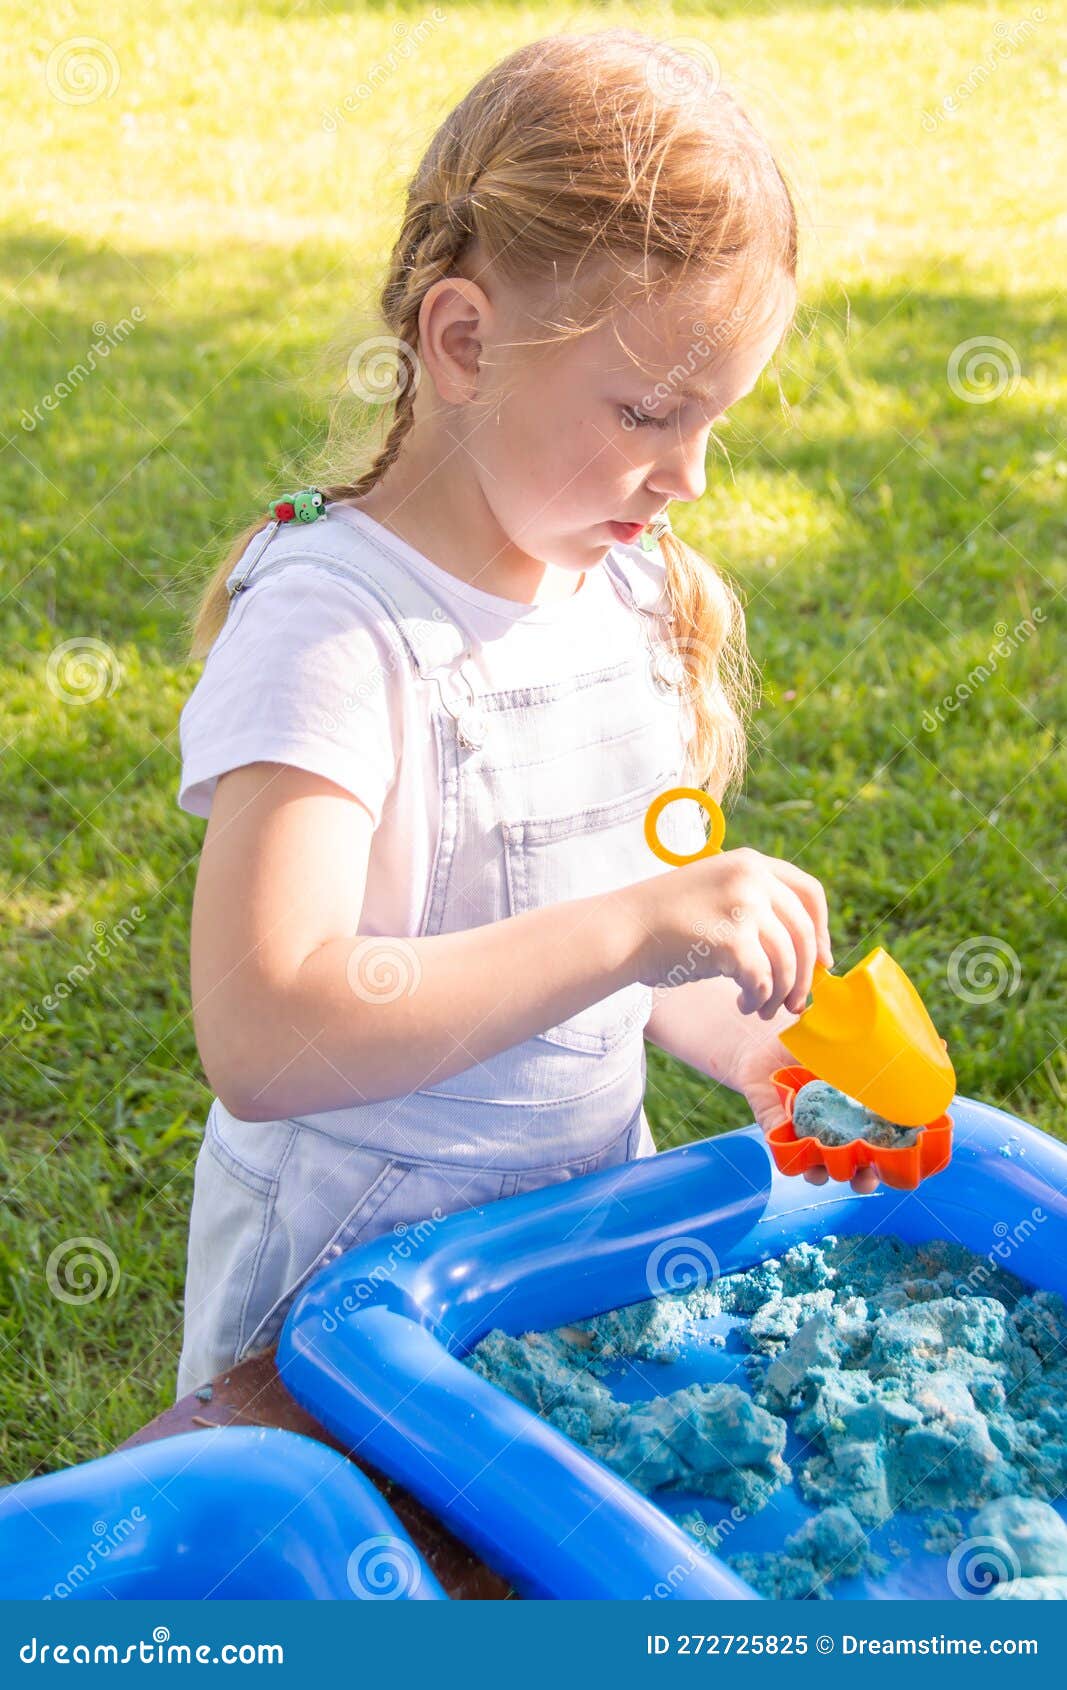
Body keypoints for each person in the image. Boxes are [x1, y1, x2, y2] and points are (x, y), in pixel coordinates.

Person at [172, 28, 873, 1402]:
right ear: (466, 341)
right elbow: (262, 1033)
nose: (690, 476)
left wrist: (754, 1043)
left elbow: (627, 922)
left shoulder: (617, 587)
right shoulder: (337, 627)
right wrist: (638, 929)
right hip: (340, 1316)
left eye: (713, 422)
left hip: (555, 1263)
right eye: (649, 411)